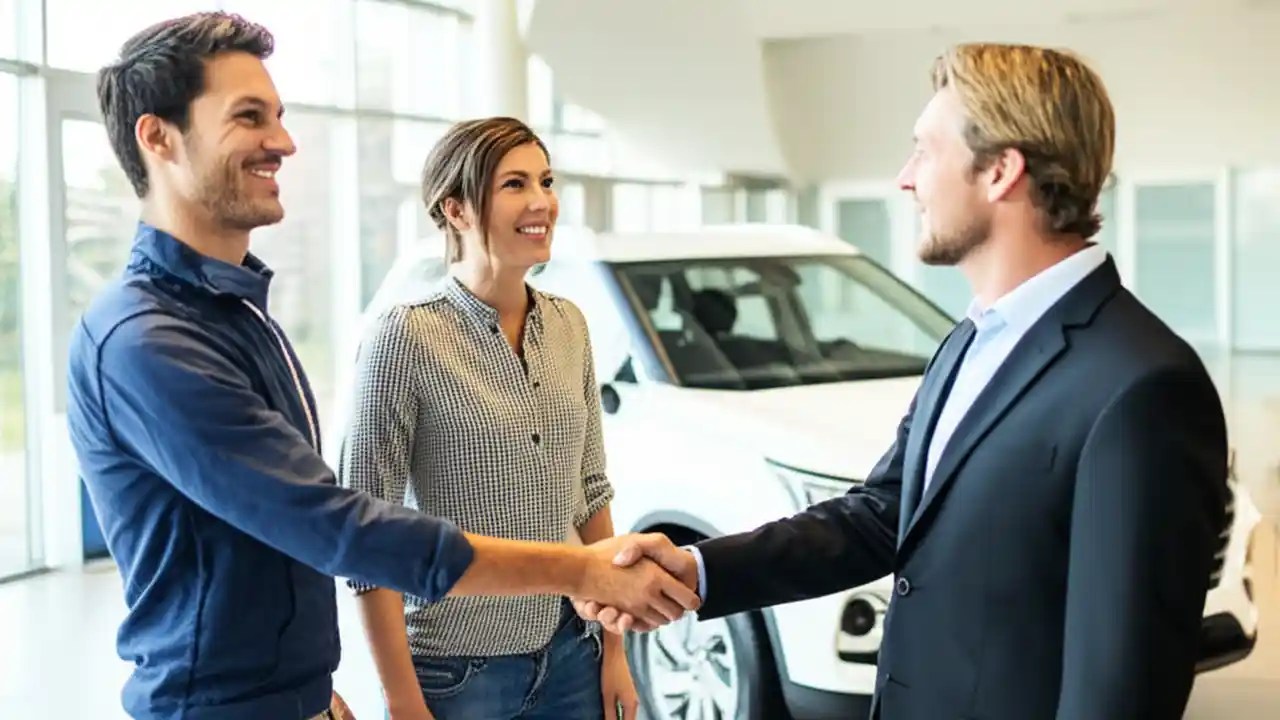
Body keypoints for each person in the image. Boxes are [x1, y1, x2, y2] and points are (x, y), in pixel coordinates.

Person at [67, 13, 696, 720]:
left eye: (279, 115)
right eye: (250, 117)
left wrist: (309, 691)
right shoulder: (147, 340)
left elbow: (270, 546)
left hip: (305, 696)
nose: (284, 141)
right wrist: (579, 572)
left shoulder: (240, 316)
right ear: (159, 138)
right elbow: (345, 527)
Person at [581, 43, 1230, 720]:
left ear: (1001, 171)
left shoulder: (1142, 387)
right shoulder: (971, 341)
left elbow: (1117, 690)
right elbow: (881, 516)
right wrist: (699, 570)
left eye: (924, 150)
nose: (905, 178)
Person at [336, 116, 638, 720]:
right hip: (456, 674)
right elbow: (368, 539)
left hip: (570, 653)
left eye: (546, 181)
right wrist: (402, 700)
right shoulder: (405, 338)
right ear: (456, 209)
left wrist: (613, 652)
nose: (541, 202)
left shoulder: (570, 325)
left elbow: (589, 491)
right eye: (515, 185)